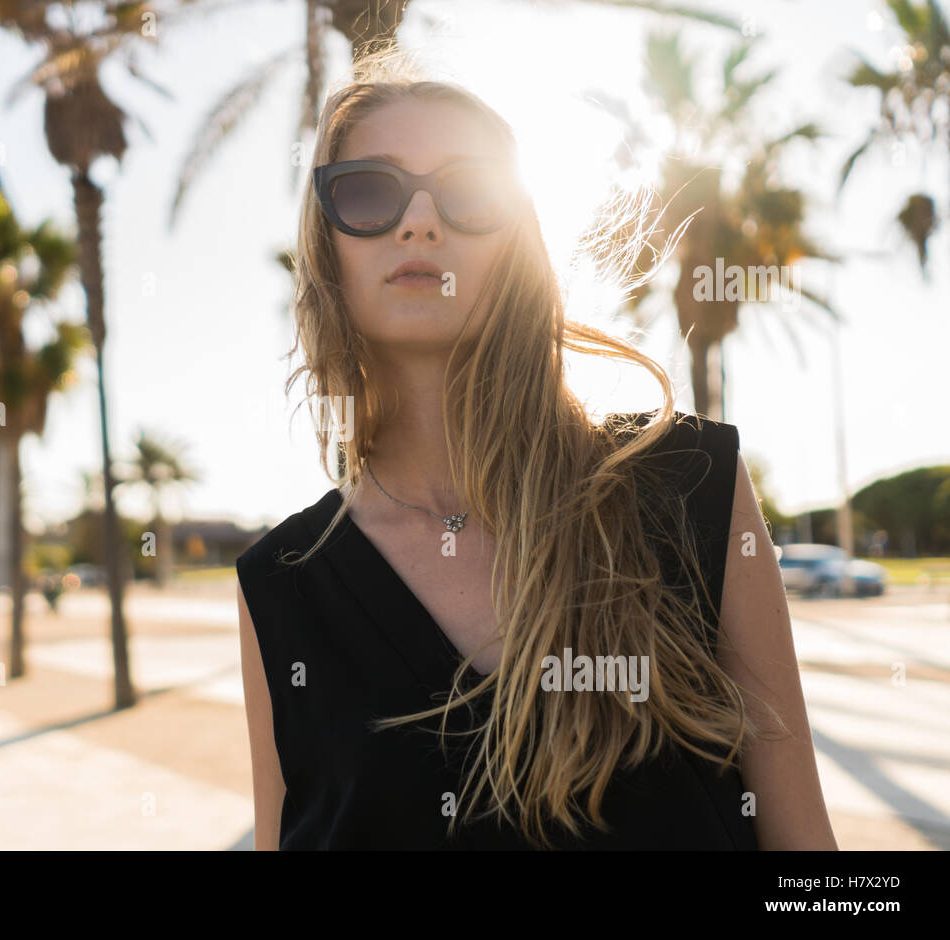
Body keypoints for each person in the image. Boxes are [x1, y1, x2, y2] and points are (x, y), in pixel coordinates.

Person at [235, 48, 836, 851]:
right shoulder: (282, 583)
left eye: (471, 190)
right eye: (371, 191)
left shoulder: (691, 487)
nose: (420, 221)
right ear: (326, 245)